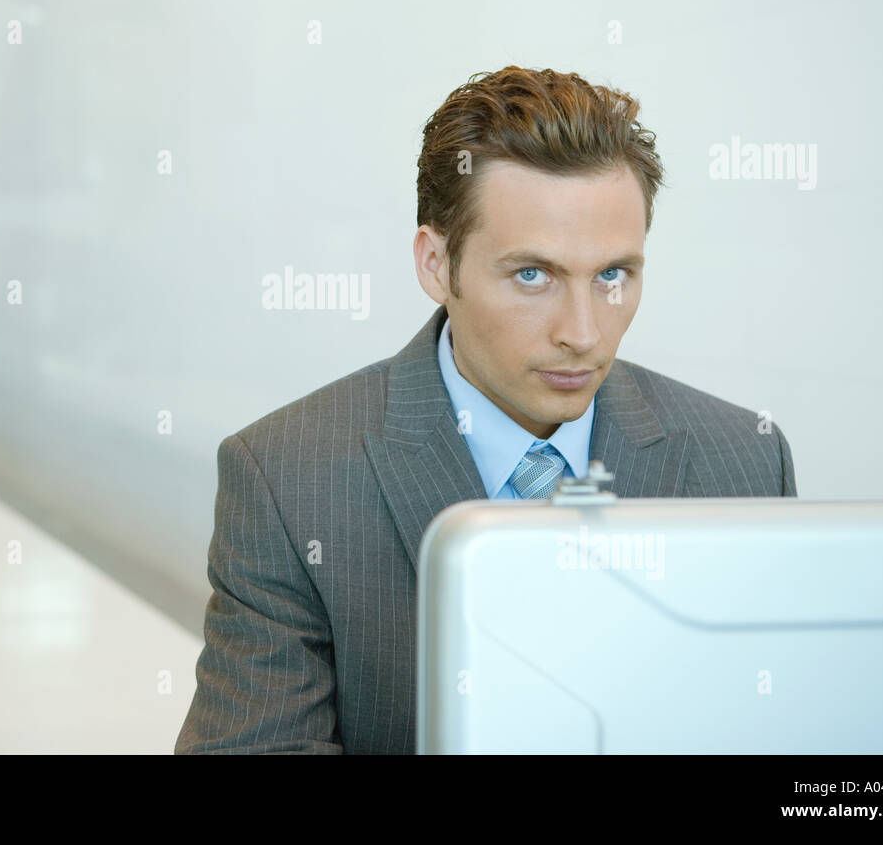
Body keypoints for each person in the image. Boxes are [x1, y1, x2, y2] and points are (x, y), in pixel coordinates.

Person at [175, 66, 798, 754]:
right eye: (533, 274)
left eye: (613, 275)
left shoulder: (746, 462)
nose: (583, 332)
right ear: (437, 264)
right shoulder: (289, 481)